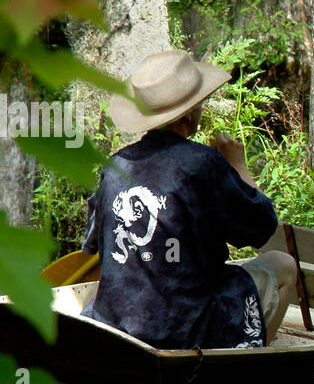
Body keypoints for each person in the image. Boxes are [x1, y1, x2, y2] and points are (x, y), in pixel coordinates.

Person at [80, 50, 297, 349]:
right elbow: (262, 225)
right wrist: (238, 165)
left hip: (119, 323)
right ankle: (247, 365)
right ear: (190, 113)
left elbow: (93, 245)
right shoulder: (202, 163)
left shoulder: (114, 167)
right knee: (284, 265)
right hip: (189, 324)